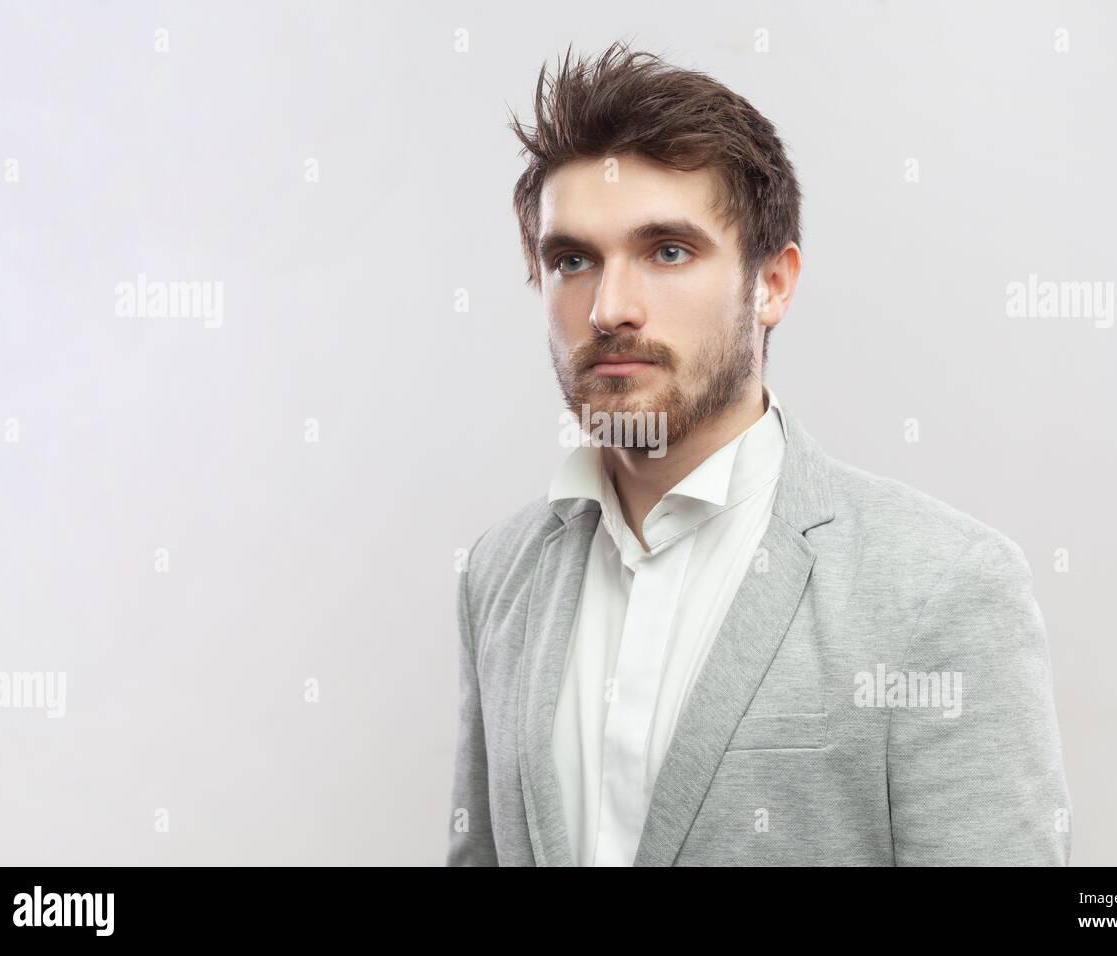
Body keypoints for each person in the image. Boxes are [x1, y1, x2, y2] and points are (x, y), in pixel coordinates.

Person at [447, 41, 1071, 866]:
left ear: (771, 284)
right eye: (572, 259)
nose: (609, 307)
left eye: (668, 251)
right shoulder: (499, 572)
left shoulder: (942, 584)